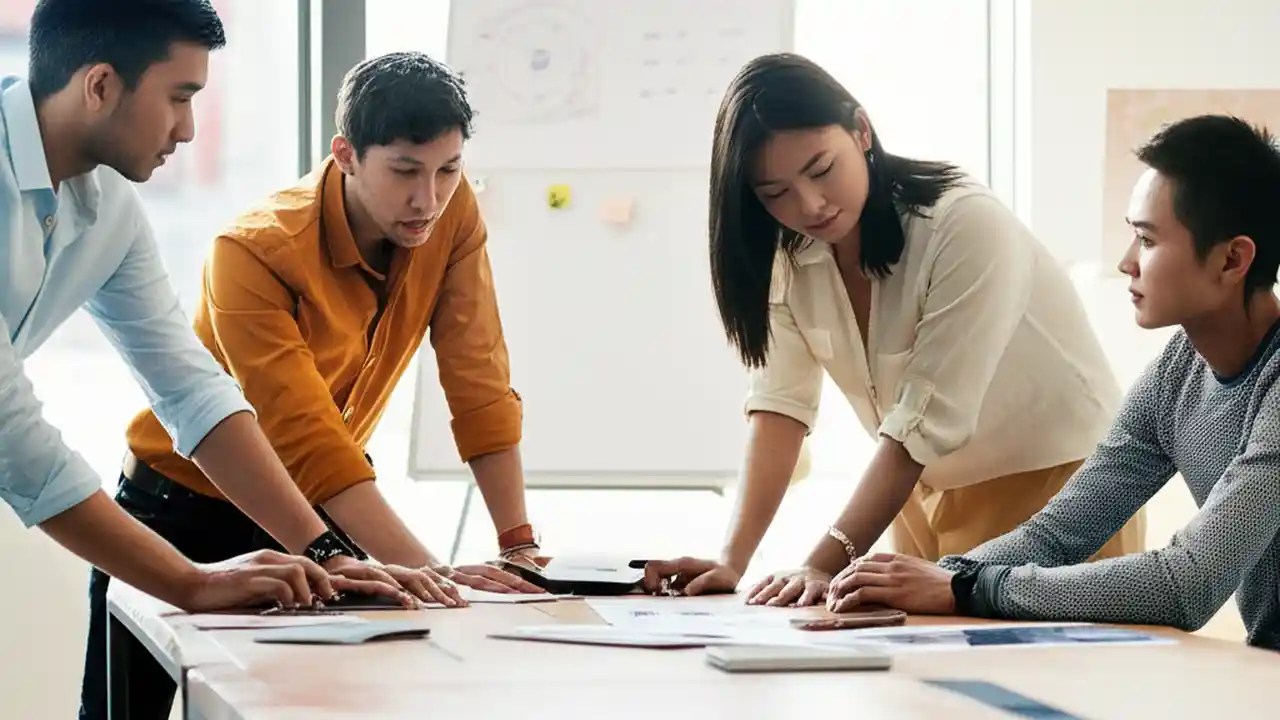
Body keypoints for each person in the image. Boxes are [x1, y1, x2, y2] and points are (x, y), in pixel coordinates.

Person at [643, 52, 1143, 603]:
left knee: (1058, 659)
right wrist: (731, 560)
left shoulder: (963, 224)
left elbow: (924, 420)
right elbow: (780, 408)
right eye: (774, 193)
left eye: (820, 170)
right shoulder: (791, 255)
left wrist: (821, 563)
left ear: (861, 130)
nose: (810, 205)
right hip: (918, 492)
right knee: (913, 659)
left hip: (1059, 489)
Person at [824, 114, 1280, 651]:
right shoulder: (1177, 373)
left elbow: (1186, 585)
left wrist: (965, 587)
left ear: (1232, 259)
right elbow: (1057, 535)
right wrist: (934, 580)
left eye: (1147, 240)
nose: (1127, 262)